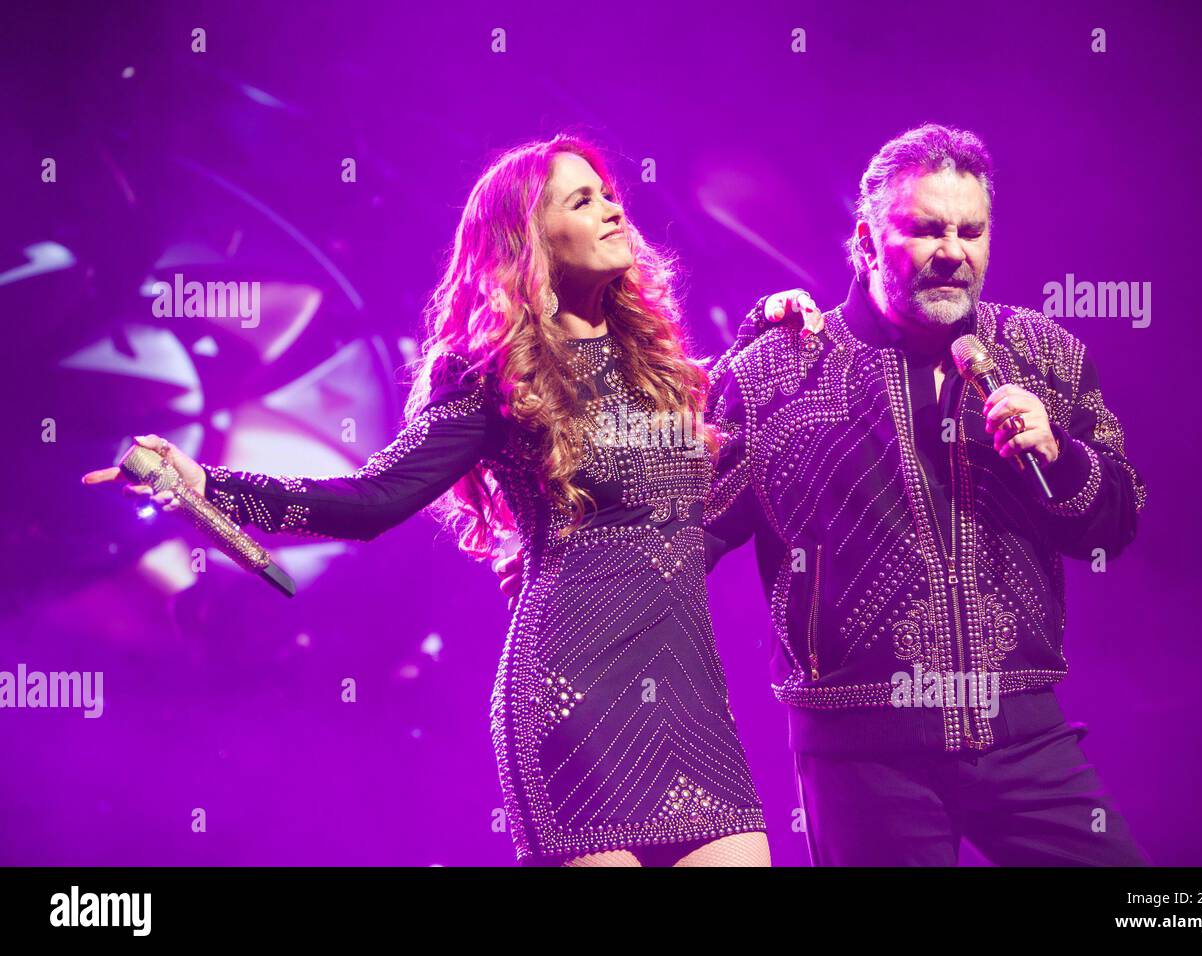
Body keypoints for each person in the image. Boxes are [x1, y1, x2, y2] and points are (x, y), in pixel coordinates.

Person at [82, 135, 770, 867]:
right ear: (530, 242)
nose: (610, 211)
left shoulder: (662, 370)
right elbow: (372, 500)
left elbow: (710, 507)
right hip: (576, 699)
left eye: (609, 196)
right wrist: (209, 484)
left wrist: (775, 336)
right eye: (582, 200)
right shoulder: (497, 378)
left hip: (691, 703)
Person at [703, 123, 1150, 865]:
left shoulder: (1044, 354)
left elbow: (1117, 523)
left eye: (971, 231)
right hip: (862, 759)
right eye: (926, 229)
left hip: (1026, 739)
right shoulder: (779, 374)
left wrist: (1060, 458)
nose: (954, 252)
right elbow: (686, 534)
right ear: (868, 238)